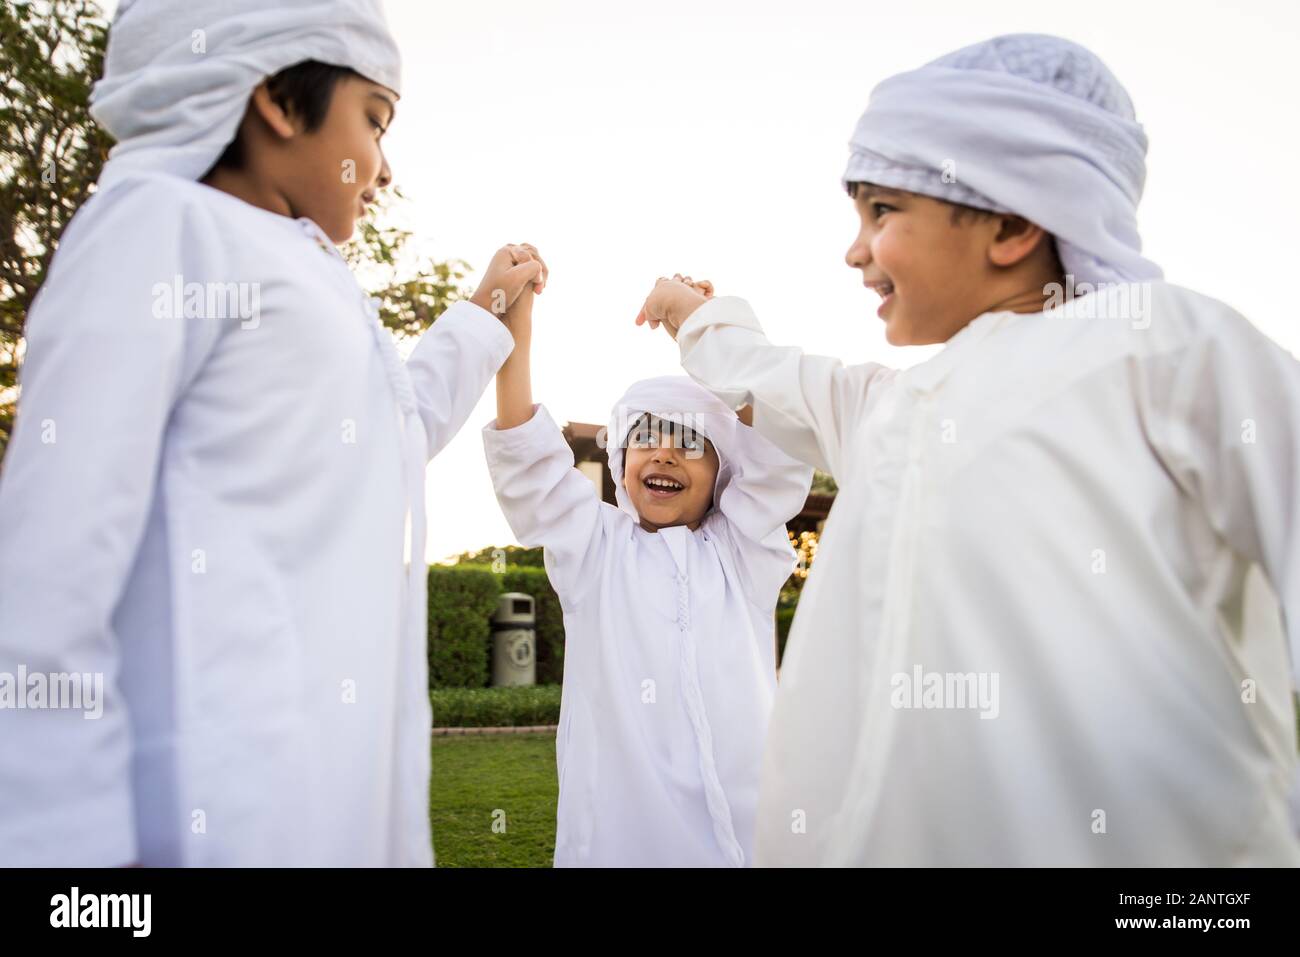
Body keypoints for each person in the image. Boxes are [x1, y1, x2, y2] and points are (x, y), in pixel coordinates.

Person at [636, 34, 1300, 865]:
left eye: (882, 212)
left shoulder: (1171, 351)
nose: (854, 250)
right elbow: (774, 377)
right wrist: (693, 316)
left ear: (1015, 221)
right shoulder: (894, 406)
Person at [0, 0, 543, 866]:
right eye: (374, 118)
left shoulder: (296, 269)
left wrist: (484, 316)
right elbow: (50, 584)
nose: (384, 166)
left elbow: (383, 433)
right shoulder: (157, 226)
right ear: (279, 102)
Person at [483, 280, 812, 866]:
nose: (663, 453)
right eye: (646, 439)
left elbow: (779, 451)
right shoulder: (594, 550)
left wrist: (706, 331)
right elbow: (527, 461)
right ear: (621, 464)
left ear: (722, 473)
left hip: (750, 833)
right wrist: (517, 325)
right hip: (622, 837)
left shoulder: (742, 552)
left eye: (689, 441)